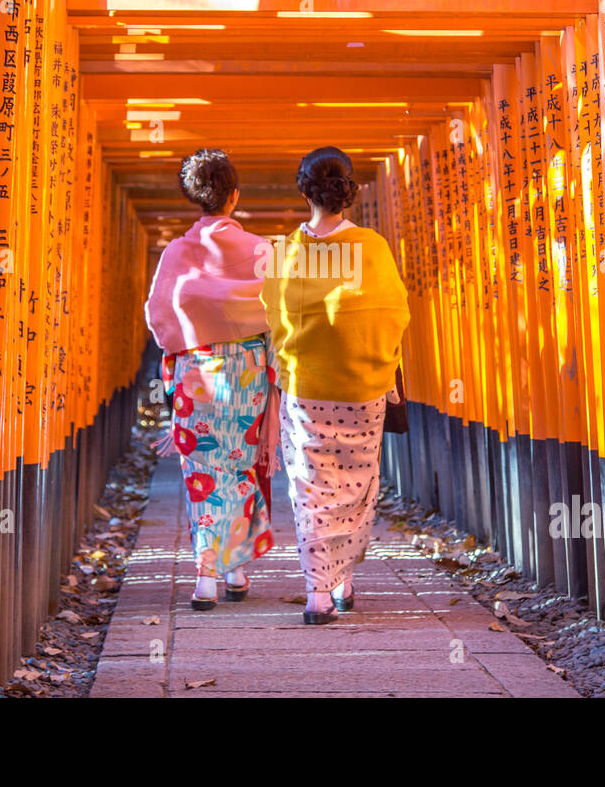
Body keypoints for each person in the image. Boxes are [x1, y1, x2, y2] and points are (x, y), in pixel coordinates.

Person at [260, 146, 410, 624]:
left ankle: (318, 593)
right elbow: (393, 314)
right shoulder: (373, 247)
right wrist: (384, 368)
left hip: (306, 388)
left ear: (304, 189)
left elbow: (273, 320)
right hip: (363, 388)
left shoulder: (286, 251)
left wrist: (284, 370)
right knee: (355, 487)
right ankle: (341, 581)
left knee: (311, 488)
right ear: (349, 191)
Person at [144, 149, 278, 610]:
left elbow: (159, 314)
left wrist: (183, 344)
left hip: (196, 370)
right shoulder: (262, 249)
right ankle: (234, 568)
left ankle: (207, 576)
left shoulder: (178, 252)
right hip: (248, 370)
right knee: (239, 464)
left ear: (192, 197)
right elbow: (280, 313)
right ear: (234, 196)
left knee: (203, 470)